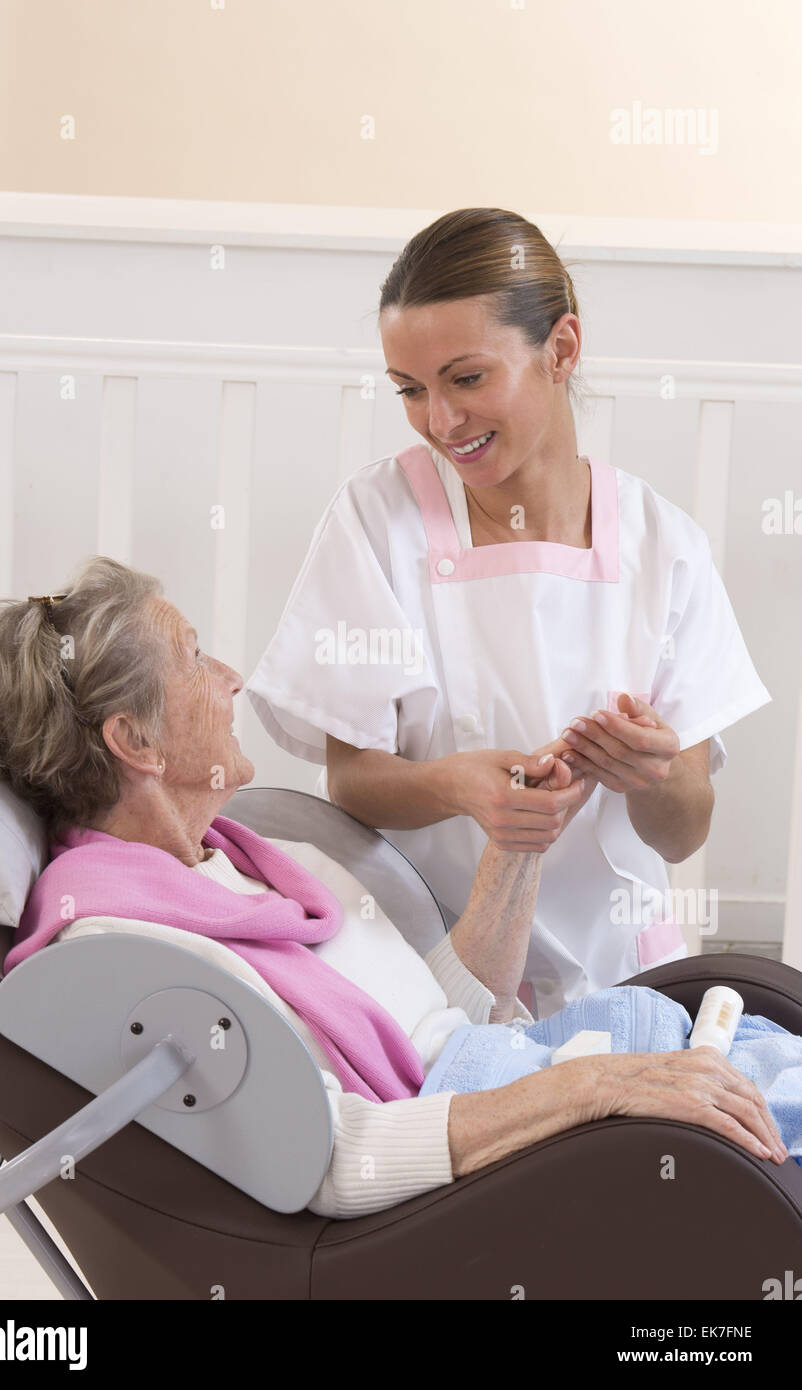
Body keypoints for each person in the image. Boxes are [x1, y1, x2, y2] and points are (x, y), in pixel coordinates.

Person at [0, 557, 786, 1221]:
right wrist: (601, 1086)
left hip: (501, 1084)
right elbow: (336, 1156)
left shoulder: (236, 861)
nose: (233, 677)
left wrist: (517, 846)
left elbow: (439, 1025)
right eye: (195, 658)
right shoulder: (124, 952)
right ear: (135, 741)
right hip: (465, 1206)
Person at [247, 206, 770, 1018]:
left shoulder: (665, 547)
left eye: (466, 379)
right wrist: (457, 787)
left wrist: (652, 774)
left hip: (619, 977)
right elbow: (351, 782)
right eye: (411, 390)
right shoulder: (375, 521)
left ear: (561, 349)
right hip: (433, 973)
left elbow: (682, 831)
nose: (440, 421)